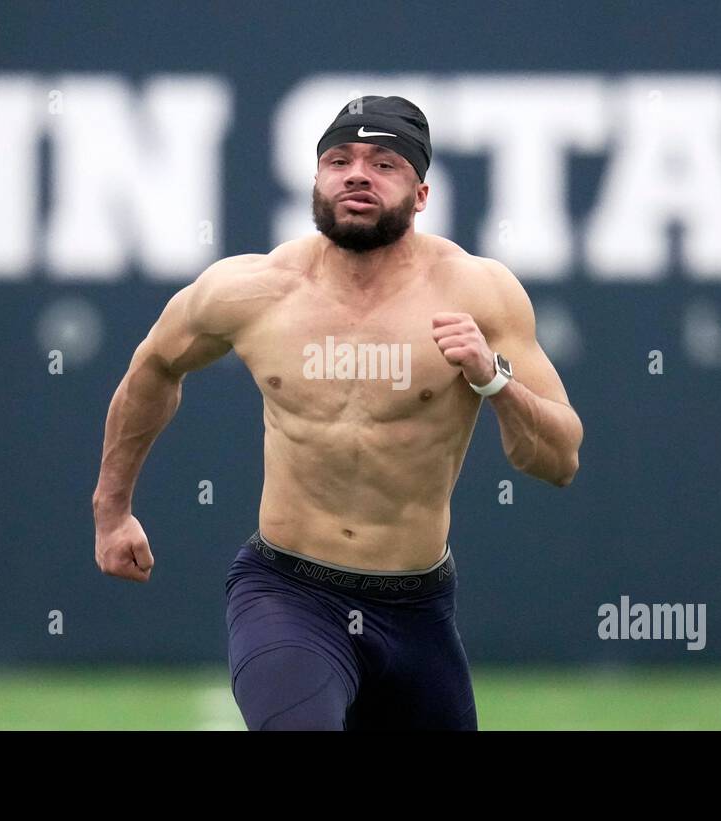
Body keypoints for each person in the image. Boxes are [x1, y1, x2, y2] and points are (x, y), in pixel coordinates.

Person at [92, 96, 583, 730]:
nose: (357, 174)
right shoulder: (252, 290)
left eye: (384, 163)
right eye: (339, 160)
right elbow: (153, 369)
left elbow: (559, 459)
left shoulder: (478, 293)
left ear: (422, 193)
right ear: (316, 180)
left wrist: (493, 381)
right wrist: (112, 511)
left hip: (417, 607)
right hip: (288, 592)